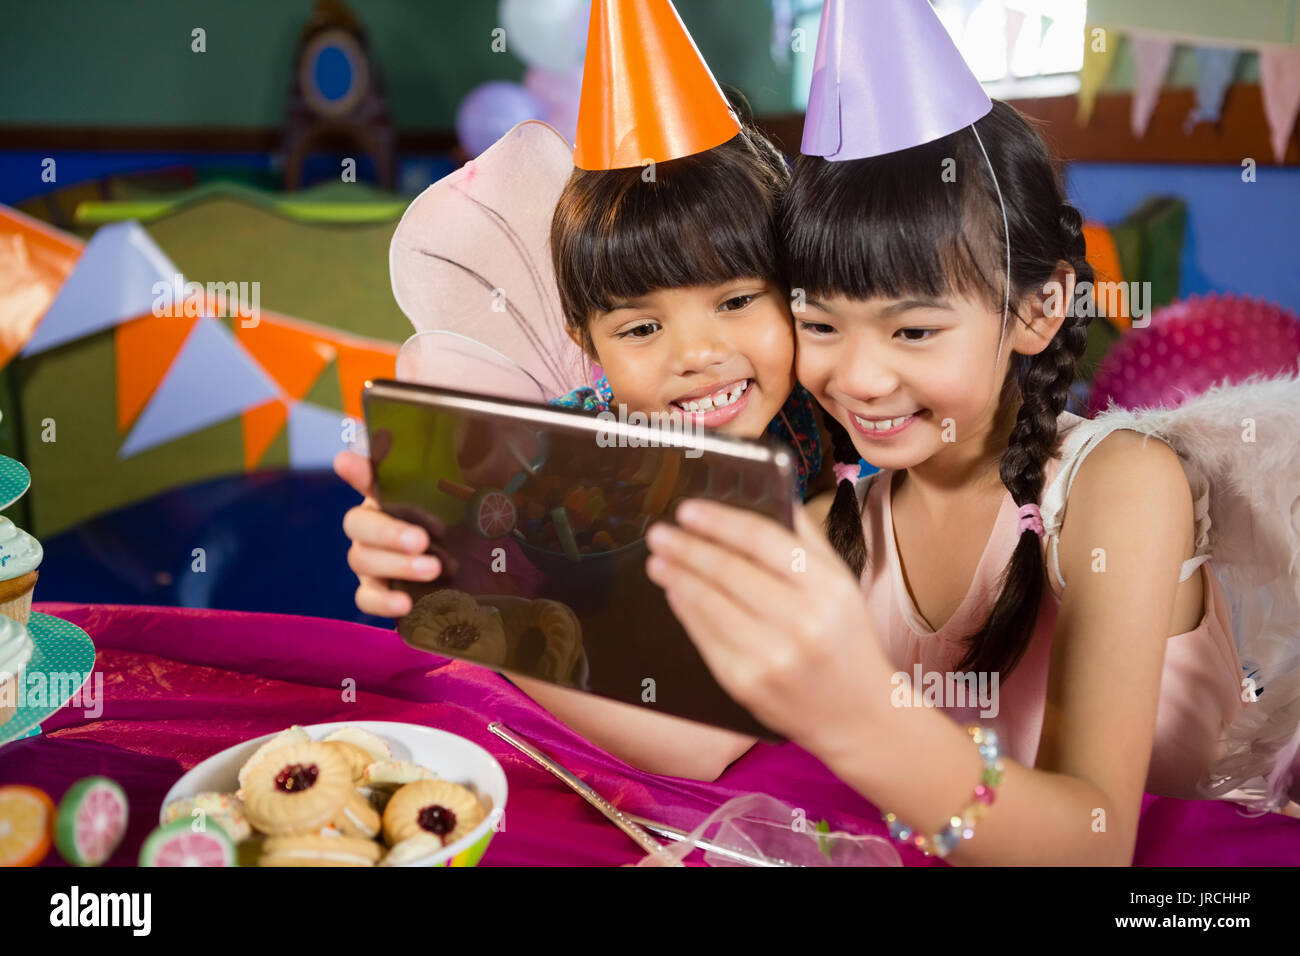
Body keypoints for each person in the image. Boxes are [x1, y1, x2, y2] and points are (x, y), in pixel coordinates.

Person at [642, 0, 1300, 864]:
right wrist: (455, 589)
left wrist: (856, 711)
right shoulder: (828, 523)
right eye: (823, 325)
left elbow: (1092, 842)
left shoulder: (1119, 487)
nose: (861, 377)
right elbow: (686, 737)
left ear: (1037, 308)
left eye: (912, 330)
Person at [337, 0, 829, 781]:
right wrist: (431, 554)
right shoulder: (565, 455)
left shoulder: (840, 442)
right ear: (584, 341)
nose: (697, 356)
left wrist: (489, 621)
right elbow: (483, 557)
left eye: (736, 302)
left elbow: (721, 739)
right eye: (641, 329)